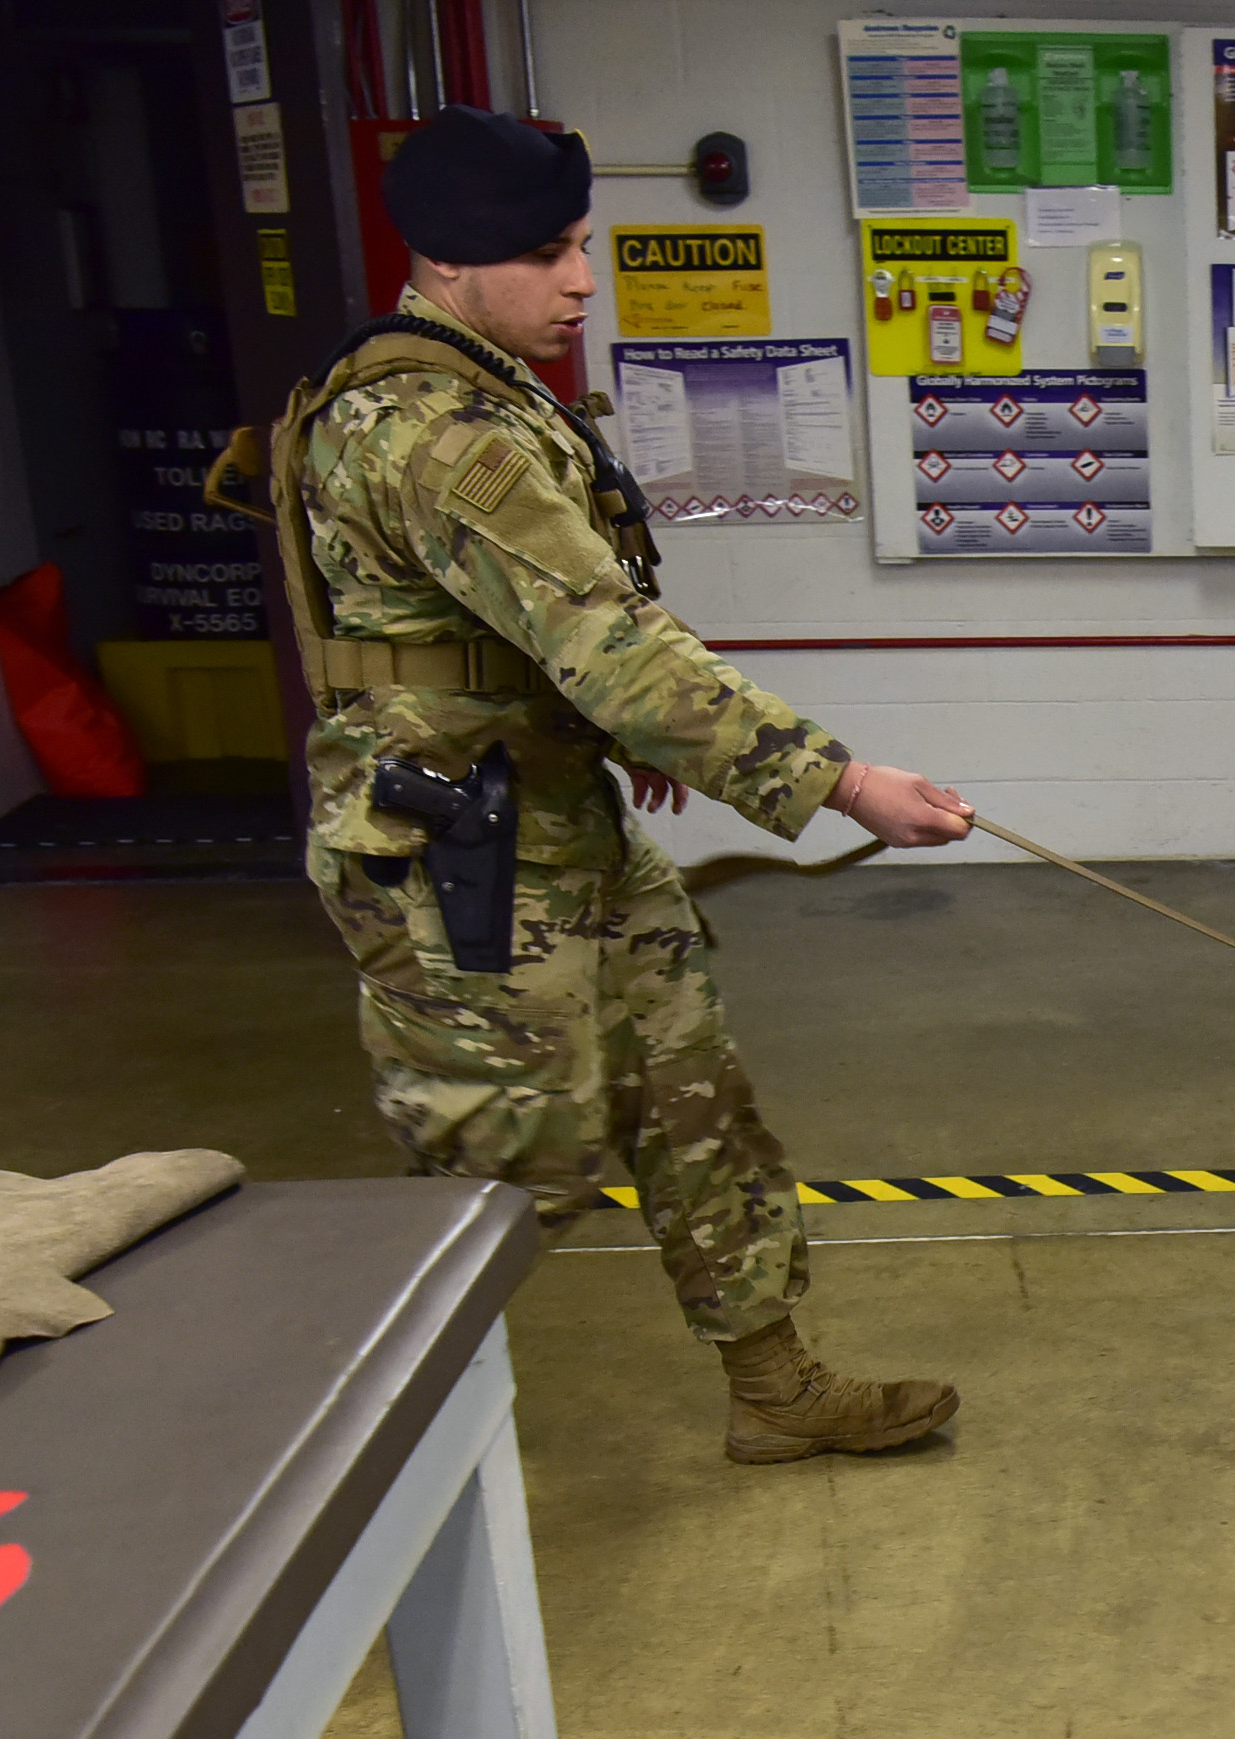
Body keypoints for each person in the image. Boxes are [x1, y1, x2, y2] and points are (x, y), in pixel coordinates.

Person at [269, 106, 966, 1464]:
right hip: (459, 857)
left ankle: (773, 1387)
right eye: (551, 252)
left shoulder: (493, 386)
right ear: (458, 260)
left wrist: (616, 735)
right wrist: (844, 782)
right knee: (502, 1165)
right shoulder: (430, 429)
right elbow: (614, 647)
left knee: (689, 1092)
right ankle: (356, 1465)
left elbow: (541, 641)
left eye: (581, 243)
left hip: (549, 815)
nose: (582, 279)